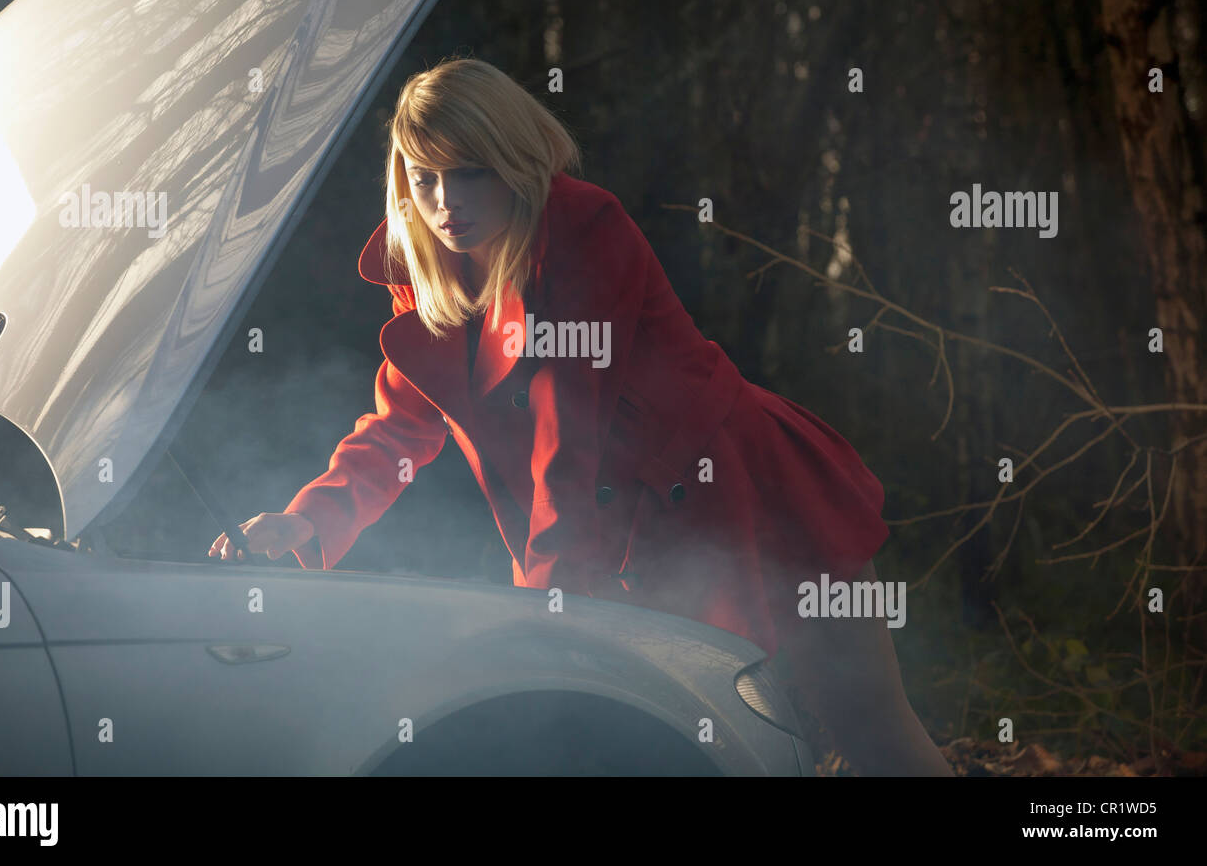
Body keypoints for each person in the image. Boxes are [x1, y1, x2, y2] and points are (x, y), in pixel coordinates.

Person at [210, 56, 953, 776]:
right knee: (656, 748)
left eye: (469, 171)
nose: (444, 202)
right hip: (618, 547)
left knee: (873, 734)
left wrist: (547, 606)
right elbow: (400, 425)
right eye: (424, 177)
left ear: (514, 159)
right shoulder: (429, 267)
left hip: (743, 490)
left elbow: (570, 432)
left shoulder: (581, 226)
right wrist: (304, 521)